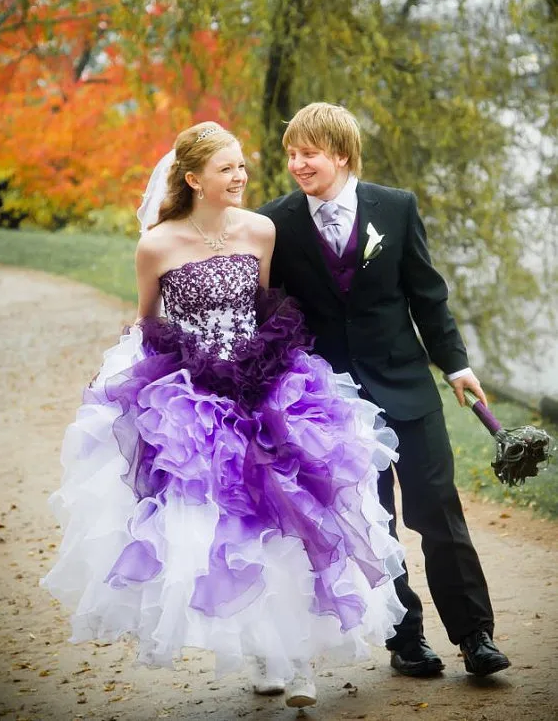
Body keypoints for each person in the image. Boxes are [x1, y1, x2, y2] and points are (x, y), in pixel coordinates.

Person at [42, 121, 407, 710]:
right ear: (193, 179)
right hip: (194, 399)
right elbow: (147, 319)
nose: (240, 177)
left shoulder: (260, 231)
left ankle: (300, 661)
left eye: (242, 166)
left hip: (265, 386)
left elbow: (263, 305)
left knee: (294, 516)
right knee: (232, 530)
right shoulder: (157, 244)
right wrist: (125, 375)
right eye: (226, 169)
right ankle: (267, 651)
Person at [259, 102, 511, 679]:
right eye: (291, 154)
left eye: (309, 153)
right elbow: (271, 313)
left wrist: (454, 365)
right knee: (373, 523)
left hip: (407, 388)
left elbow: (427, 294)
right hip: (335, 404)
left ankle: (476, 637)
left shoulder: (395, 209)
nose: (297, 164)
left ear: (341, 154)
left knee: (439, 515)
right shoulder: (276, 222)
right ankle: (406, 640)